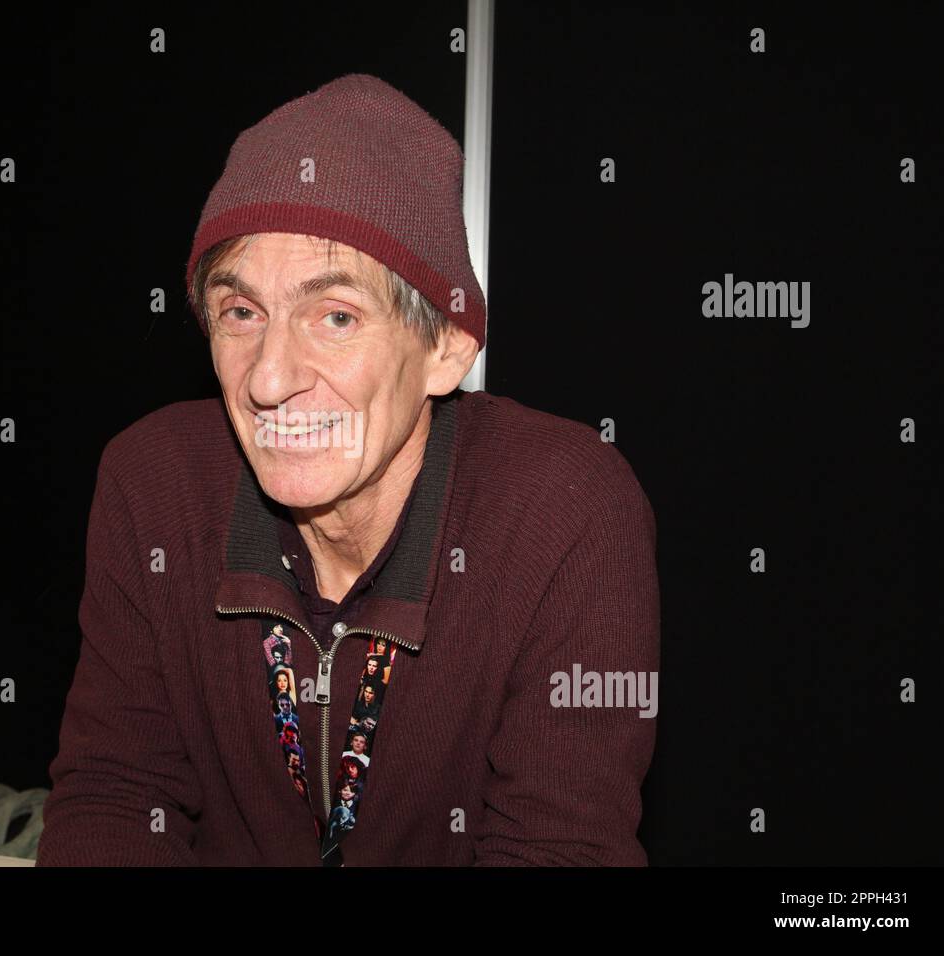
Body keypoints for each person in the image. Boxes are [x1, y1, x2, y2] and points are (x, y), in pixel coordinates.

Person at [38, 74, 659, 867]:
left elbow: (560, 852)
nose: (268, 378)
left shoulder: (567, 508)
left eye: (335, 317)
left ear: (448, 348)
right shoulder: (152, 484)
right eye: (241, 313)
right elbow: (114, 795)